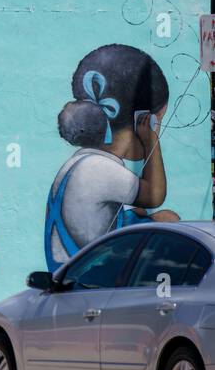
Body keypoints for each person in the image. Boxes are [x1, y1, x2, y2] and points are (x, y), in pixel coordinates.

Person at [45, 44, 178, 271]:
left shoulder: (83, 162)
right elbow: (155, 195)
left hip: (72, 265)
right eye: (157, 122)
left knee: (141, 215)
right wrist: (151, 141)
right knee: (168, 221)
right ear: (141, 121)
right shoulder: (98, 168)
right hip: (85, 277)